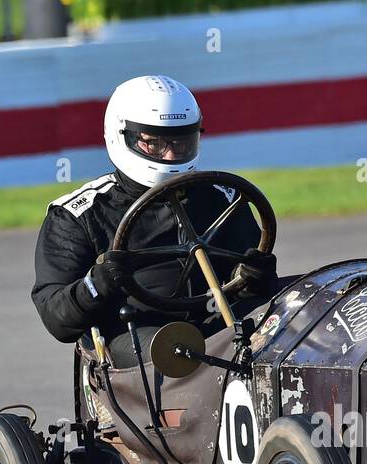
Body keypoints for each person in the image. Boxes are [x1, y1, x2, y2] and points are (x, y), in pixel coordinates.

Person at [31, 74, 277, 370]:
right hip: (133, 332)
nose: (172, 154)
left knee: (289, 317)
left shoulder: (223, 198)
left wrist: (253, 279)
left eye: (182, 141)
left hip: (216, 320)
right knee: (180, 347)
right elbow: (58, 319)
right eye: (156, 143)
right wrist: (100, 281)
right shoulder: (79, 215)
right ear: (122, 136)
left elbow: (254, 288)